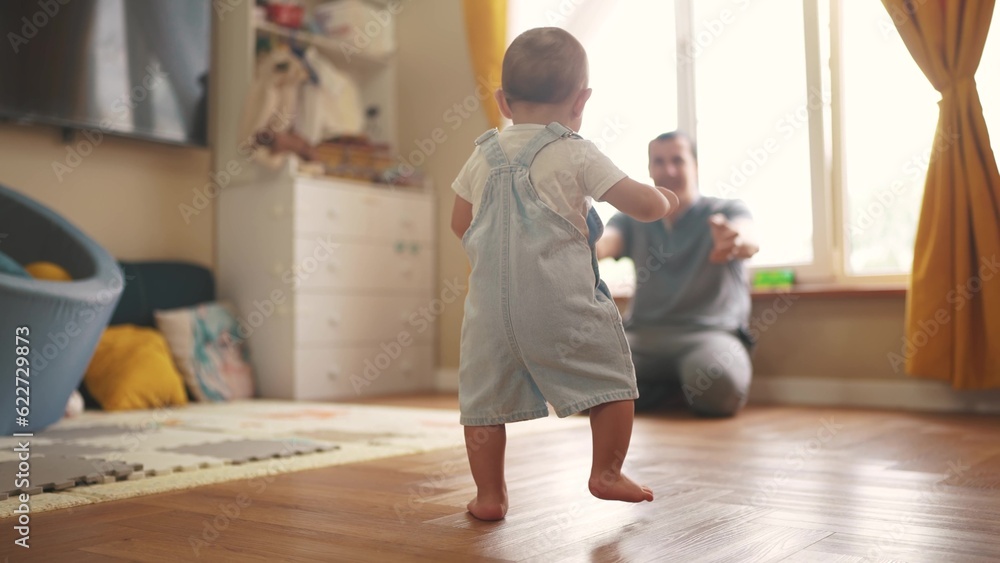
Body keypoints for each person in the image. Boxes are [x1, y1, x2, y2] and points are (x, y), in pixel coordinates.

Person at [450, 27, 674, 521]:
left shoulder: (481, 154)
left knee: (483, 405)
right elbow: (640, 203)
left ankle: (489, 496)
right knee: (613, 380)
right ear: (582, 100)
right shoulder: (576, 151)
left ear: (503, 101)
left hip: (488, 316)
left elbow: (460, 223)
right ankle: (607, 472)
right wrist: (664, 199)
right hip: (561, 307)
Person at [596, 131, 760, 418]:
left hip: (709, 335)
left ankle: (655, 391)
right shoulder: (631, 219)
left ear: (694, 165)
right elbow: (605, 243)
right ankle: (674, 391)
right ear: (649, 169)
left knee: (719, 387)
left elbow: (748, 240)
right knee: (589, 383)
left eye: (677, 160)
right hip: (642, 337)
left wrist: (733, 240)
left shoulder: (726, 210)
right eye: (659, 162)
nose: (668, 170)